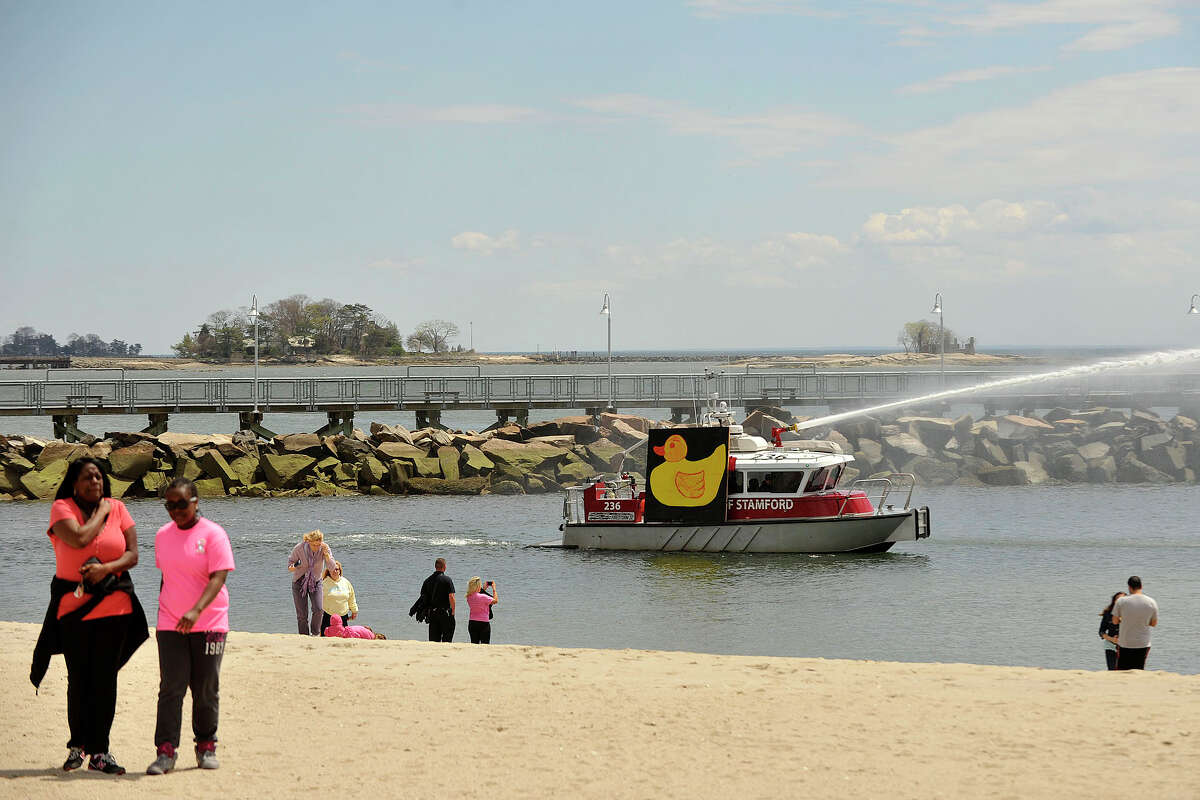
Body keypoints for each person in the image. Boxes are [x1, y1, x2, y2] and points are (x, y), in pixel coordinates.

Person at [31, 457, 148, 775]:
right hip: (73, 604)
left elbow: (133, 554)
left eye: (98, 477)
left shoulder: (119, 508)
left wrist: (105, 568)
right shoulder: (61, 509)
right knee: (79, 678)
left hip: (116, 603)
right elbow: (80, 538)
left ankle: (100, 752)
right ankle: (76, 746)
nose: (95, 482)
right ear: (73, 483)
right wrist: (101, 513)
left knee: (105, 679)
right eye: (87, 478)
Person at [146, 478, 236, 775]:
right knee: (171, 688)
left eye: (181, 504)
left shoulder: (213, 534)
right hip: (170, 623)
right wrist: (164, 613)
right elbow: (168, 577)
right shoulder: (162, 535)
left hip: (209, 622)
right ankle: (165, 751)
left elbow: (218, 577)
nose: (175, 510)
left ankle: (206, 745)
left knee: (205, 687)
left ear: (195, 501)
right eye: (169, 505)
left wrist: (196, 610)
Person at [288, 530, 335, 636]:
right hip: (299, 582)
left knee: (319, 609)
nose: (316, 547)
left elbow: (332, 568)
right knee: (302, 615)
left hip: (316, 581)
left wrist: (327, 555)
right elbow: (289, 566)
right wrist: (296, 565)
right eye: (314, 545)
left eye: (318, 545)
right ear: (308, 541)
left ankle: (315, 634)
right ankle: (304, 636)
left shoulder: (324, 548)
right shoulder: (299, 548)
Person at [1112, 576, 1158, 670]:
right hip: (1143, 643)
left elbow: (1115, 621)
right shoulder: (1151, 602)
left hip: (1125, 642)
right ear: (1141, 586)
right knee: (1139, 670)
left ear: (1129, 587)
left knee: (1122, 670)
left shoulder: (1121, 601)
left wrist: (1125, 619)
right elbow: (1154, 623)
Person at [419, 557, 456, 642]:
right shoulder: (447, 580)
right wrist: (453, 612)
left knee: (434, 641)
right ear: (444, 567)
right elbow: (451, 597)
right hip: (445, 613)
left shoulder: (427, 580)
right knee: (447, 640)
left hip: (432, 614)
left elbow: (423, 597)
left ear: (435, 567)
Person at [320, 561, 358, 635]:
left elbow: (351, 598)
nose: (335, 571)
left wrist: (354, 611)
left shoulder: (346, 582)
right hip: (328, 615)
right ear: (329, 571)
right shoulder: (323, 583)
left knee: (344, 636)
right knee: (325, 637)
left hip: (343, 615)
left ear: (340, 571)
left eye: (337, 569)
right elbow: (317, 600)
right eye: (332, 569)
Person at [465, 577, 499, 644]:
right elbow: (495, 601)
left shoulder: (469, 597)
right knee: (485, 644)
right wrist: (494, 589)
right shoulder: (483, 597)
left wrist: (483, 589)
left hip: (472, 622)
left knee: (474, 644)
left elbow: (477, 596)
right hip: (483, 623)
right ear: (478, 586)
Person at [1099, 591, 1125, 670]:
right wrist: (1111, 639)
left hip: (1126, 646)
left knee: (1125, 671)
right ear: (1114, 601)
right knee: (1112, 670)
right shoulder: (1108, 613)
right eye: (1117, 599)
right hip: (1110, 645)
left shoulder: (1130, 614)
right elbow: (1101, 631)